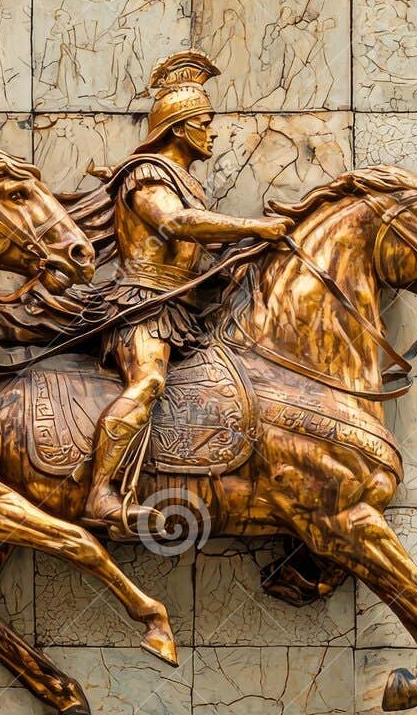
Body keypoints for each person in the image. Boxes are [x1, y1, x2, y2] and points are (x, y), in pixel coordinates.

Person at [80, 50, 292, 535]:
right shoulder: (147, 174)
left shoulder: (188, 183)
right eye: (205, 121)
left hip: (183, 310)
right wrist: (254, 227)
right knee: (149, 382)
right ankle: (100, 493)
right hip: (142, 305)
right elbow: (174, 225)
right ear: (179, 128)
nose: (213, 131)